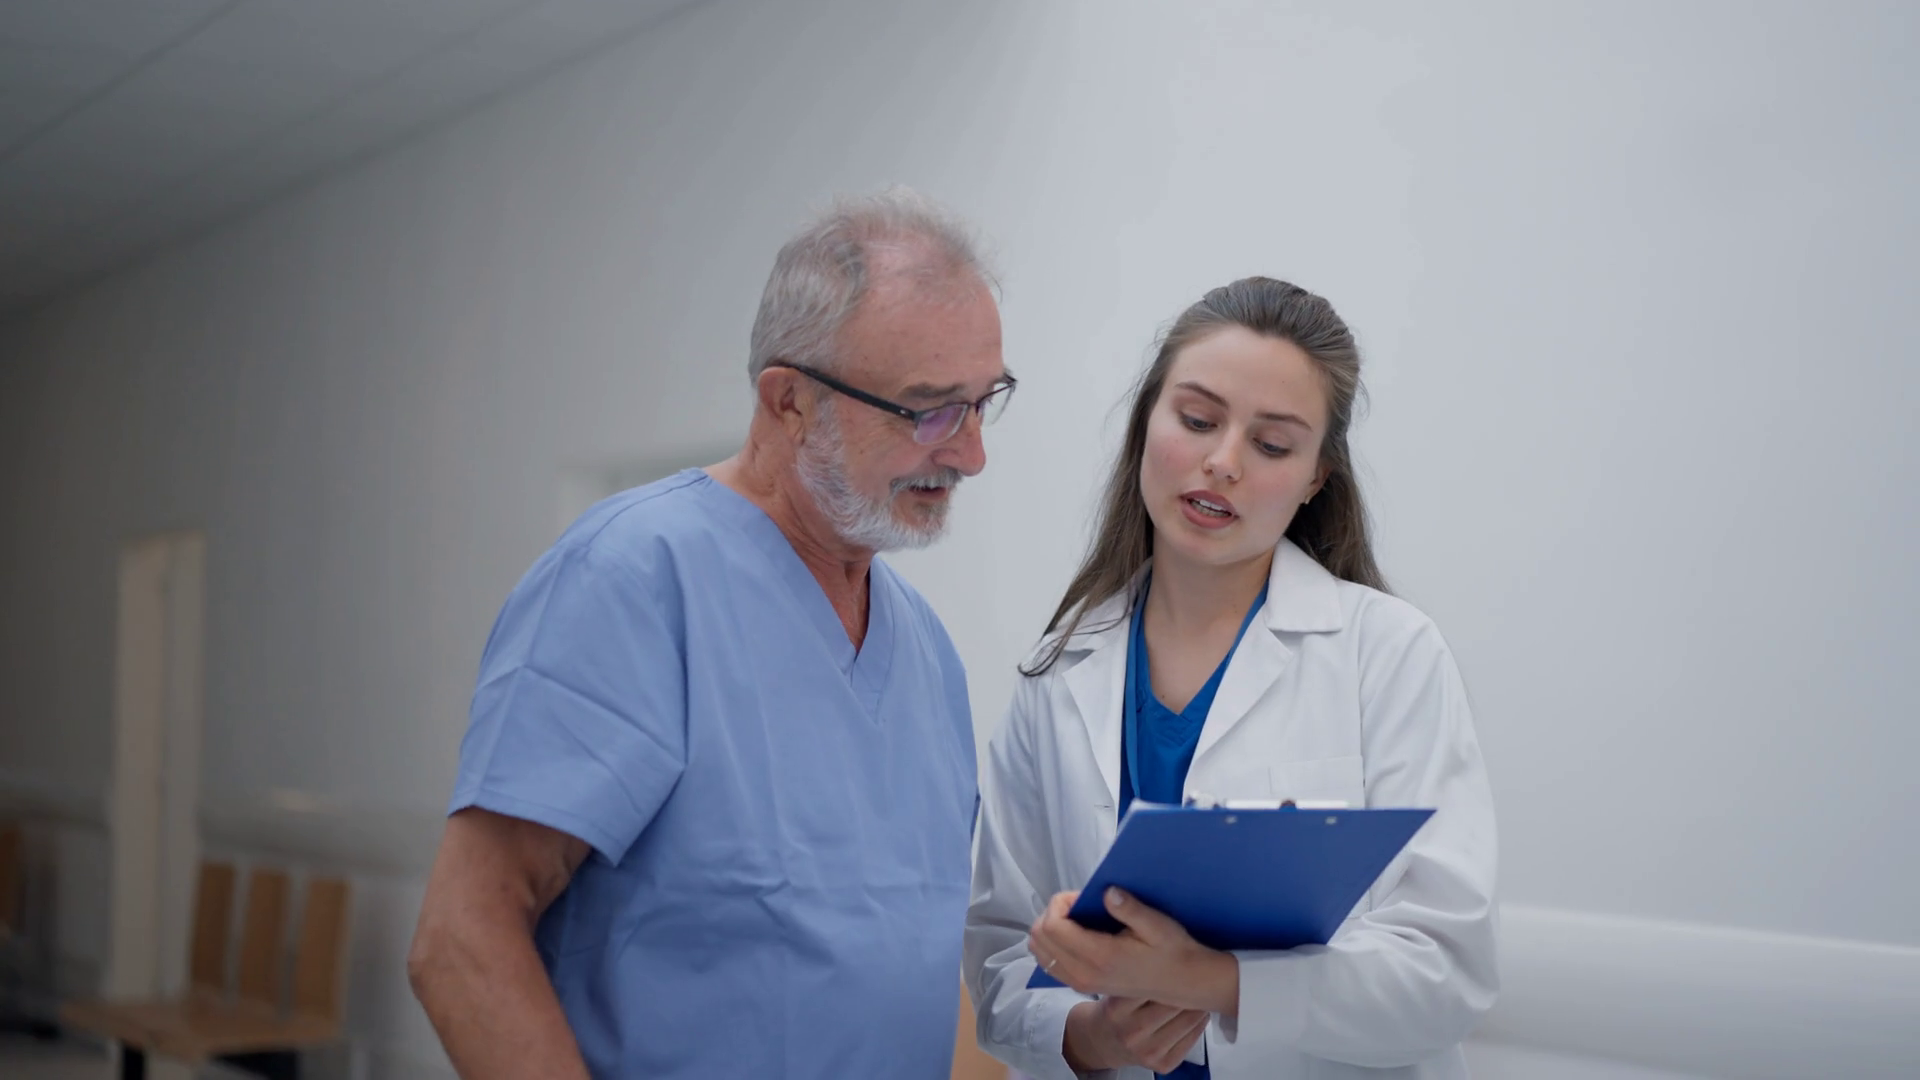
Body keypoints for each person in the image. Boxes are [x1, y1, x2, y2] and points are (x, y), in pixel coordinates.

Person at [408, 188, 1016, 1079]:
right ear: (790, 402)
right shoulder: (633, 579)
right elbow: (461, 940)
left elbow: (920, 960)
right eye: (927, 410)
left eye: (981, 402)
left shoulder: (926, 656)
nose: (969, 454)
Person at [965, 277, 1496, 1080]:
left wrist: (1208, 984)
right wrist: (1094, 1037)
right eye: (1198, 420)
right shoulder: (1059, 671)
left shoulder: (1388, 654)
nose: (1222, 462)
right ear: (1148, 420)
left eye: (1273, 445)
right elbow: (1000, 955)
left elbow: (1443, 972)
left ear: (1317, 476)